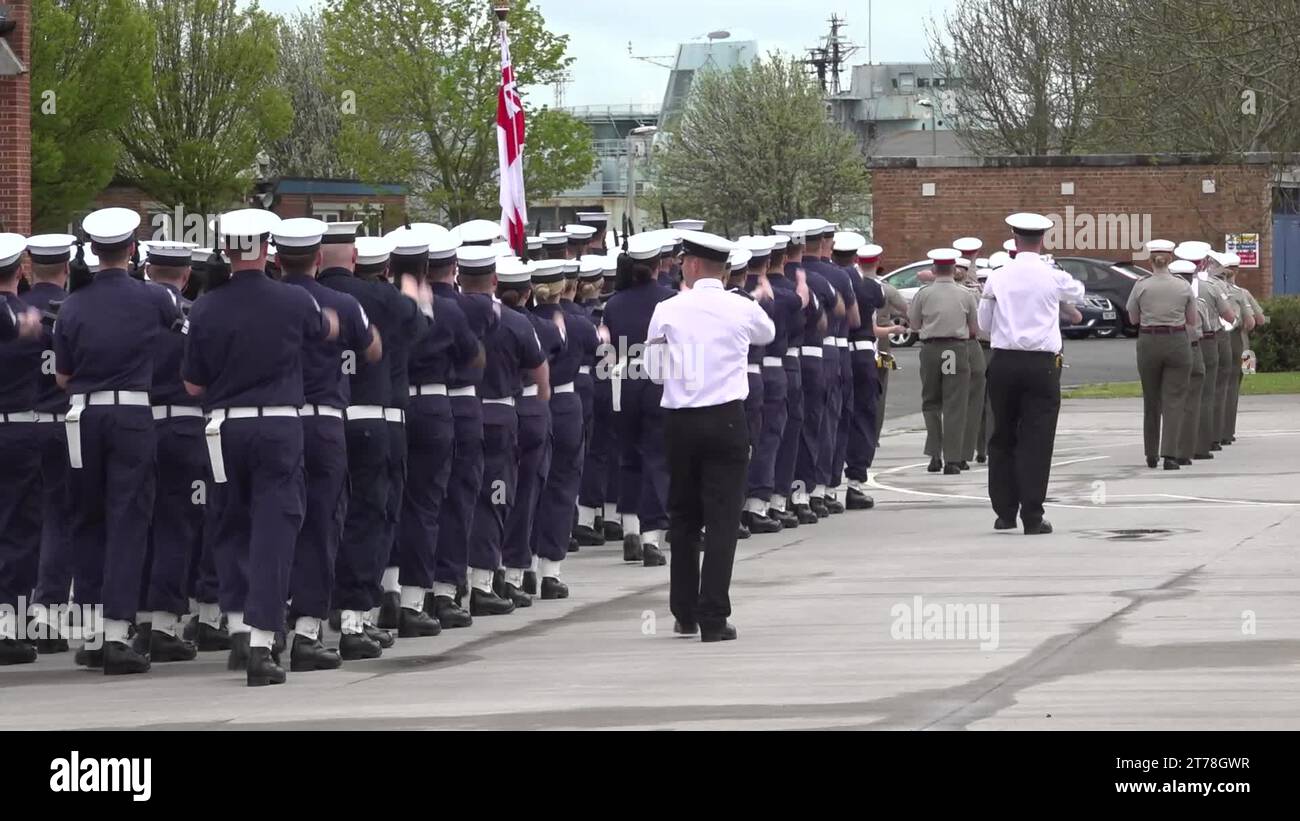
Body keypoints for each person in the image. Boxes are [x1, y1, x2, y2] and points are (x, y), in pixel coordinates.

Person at [183, 208, 341, 685]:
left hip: (224, 427)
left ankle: (235, 626)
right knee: (275, 528)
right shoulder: (293, 301)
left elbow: (192, 385)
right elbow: (325, 333)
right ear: (267, 248)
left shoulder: (206, 307)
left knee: (229, 524)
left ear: (228, 251)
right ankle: (260, 641)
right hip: (279, 425)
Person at [54, 208, 185, 674]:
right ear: (132, 250)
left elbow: (63, 375)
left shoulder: (71, 305)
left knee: (87, 520)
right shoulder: (154, 299)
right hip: (132, 412)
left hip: (82, 413)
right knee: (128, 520)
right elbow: (178, 336)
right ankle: (115, 632)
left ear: (91, 251)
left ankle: (91, 631)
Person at [646, 230, 775, 642]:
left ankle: (684, 612)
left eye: (684, 260)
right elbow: (767, 334)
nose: (680, 265)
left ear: (695, 265)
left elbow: (652, 371)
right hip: (726, 419)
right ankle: (714, 617)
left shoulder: (668, 308)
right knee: (722, 521)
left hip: (681, 420)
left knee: (683, 518)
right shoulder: (741, 307)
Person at [279, 219, 383, 670]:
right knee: (321, 526)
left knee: (269, 526)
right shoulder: (342, 302)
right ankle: (306, 630)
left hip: (277, 421)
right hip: (322, 423)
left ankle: (251, 626)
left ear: (277, 259)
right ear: (318, 259)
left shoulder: (268, 303)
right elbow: (372, 349)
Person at [978, 213, 1085, 535]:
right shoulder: (1053, 275)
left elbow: (984, 324)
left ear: (1013, 237)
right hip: (1041, 363)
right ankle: (1033, 515)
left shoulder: (998, 275)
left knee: (1002, 436)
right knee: (1037, 439)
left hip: (1004, 360)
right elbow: (1078, 295)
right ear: (1043, 240)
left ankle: (1004, 512)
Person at [397, 231, 482, 633]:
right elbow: (472, 356)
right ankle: (437, 591)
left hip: (391, 405)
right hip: (434, 403)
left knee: (390, 504)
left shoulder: (383, 304)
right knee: (435, 503)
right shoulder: (451, 310)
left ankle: (389, 592)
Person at [461, 249, 548, 613]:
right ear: (493, 281)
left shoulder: (444, 315)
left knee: (457, 499)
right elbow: (539, 370)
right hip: (498, 417)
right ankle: (483, 580)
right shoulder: (514, 321)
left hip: (459, 414)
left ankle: (451, 584)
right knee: (496, 497)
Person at [135, 240, 206, 664]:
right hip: (184, 425)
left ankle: (139, 616)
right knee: (177, 525)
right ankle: (164, 621)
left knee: (137, 523)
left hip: (138, 422)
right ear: (185, 276)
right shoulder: (195, 317)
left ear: (147, 270)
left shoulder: (127, 317)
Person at [20, 236, 78, 654]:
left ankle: (15, 613)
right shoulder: (73, 311)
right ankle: (49, 612)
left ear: (29, 268)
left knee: (18, 522)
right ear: (68, 268)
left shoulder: (16, 313)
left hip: (21, 422)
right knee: (61, 518)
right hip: (64, 423)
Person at [603, 233, 676, 565]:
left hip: (623, 383)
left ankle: (630, 532)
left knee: (628, 457)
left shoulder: (614, 303)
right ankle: (650, 538)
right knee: (656, 459)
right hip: (656, 382)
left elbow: (607, 348)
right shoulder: (671, 300)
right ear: (659, 265)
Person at [533, 258, 598, 595]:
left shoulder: (525, 321)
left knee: (529, 488)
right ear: (566, 289)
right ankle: (550, 571)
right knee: (561, 486)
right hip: (566, 405)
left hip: (531, 405)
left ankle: (522, 566)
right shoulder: (580, 324)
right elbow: (599, 350)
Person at [0, 232, 46, 665]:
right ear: (20, 269)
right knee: (17, 527)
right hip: (16, 430)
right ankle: (7, 626)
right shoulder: (28, 319)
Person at [739, 236, 794, 532]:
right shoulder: (771, 297)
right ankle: (757, 505)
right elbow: (796, 307)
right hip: (763, 372)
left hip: (728, 376)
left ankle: (738, 505)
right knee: (766, 439)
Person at [1126, 243, 1196, 470]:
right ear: (1170, 259)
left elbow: (1133, 318)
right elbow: (1192, 319)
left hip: (1149, 340)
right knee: (1174, 400)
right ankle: (1170, 454)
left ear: (1151, 260)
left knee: (1151, 399)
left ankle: (1150, 453)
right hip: (1176, 340)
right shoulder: (1183, 285)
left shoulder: (1141, 285)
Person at [910, 249, 979, 475]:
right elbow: (974, 329)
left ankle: (934, 454)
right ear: (953, 269)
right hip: (957, 348)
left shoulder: (923, 293)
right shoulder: (965, 294)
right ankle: (953, 458)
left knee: (931, 402)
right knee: (955, 405)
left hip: (931, 349)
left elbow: (914, 324)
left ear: (933, 269)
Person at [953, 238, 988, 470]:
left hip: (967, 346)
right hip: (974, 346)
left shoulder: (971, 291)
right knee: (975, 402)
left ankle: (970, 450)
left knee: (962, 402)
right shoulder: (972, 294)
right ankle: (974, 450)